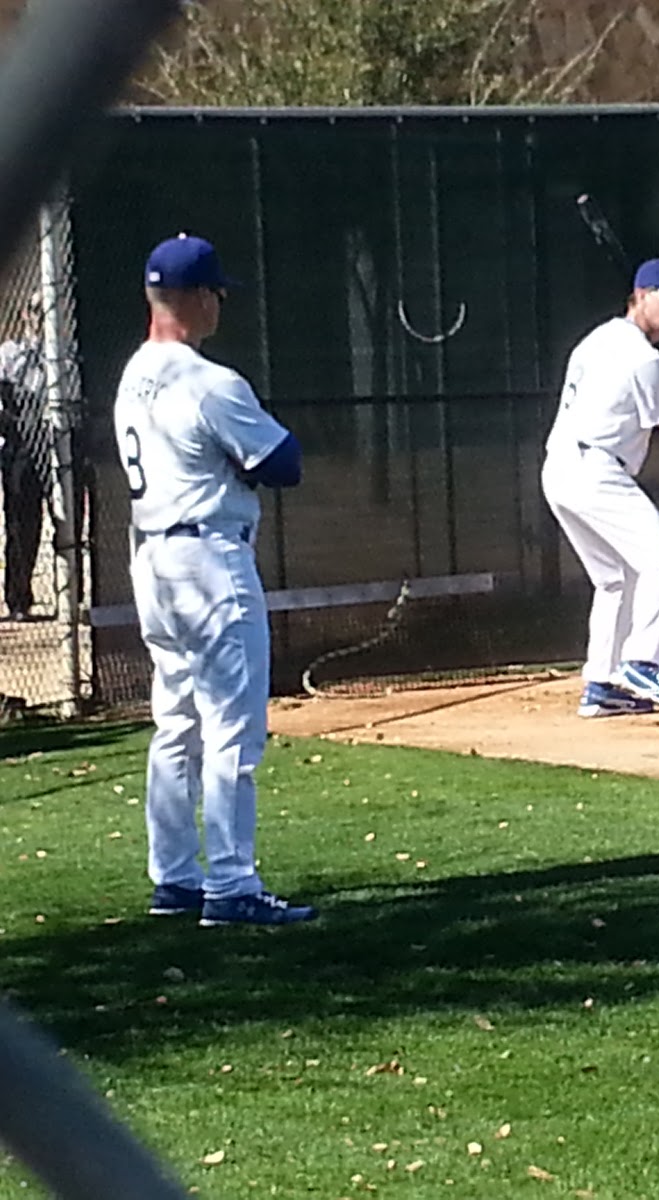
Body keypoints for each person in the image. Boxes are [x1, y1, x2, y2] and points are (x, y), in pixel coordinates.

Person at [113, 233, 315, 926]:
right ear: (197, 298)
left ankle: (174, 878)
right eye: (217, 292)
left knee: (175, 723)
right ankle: (232, 884)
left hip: (153, 562)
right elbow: (283, 461)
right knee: (231, 727)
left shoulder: (133, 373)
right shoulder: (209, 381)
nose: (221, 302)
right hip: (208, 560)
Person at [541, 256, 659, 718]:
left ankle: (601, 684)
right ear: (639, 295)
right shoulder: (640, 358)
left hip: (560, 468)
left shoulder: (599, 339)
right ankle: (641, 664)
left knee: (616, 579)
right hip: (596, 469)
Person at [0, 292, 49, 621]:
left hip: (54, 441)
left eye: (49, 311)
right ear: (25, 315)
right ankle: (18, 598)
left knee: (67, 522)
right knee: (22, 521)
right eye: (36, 310)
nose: (43, 318)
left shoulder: (64, 357)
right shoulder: (9, 354)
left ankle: (70, 595)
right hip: (21, 443)